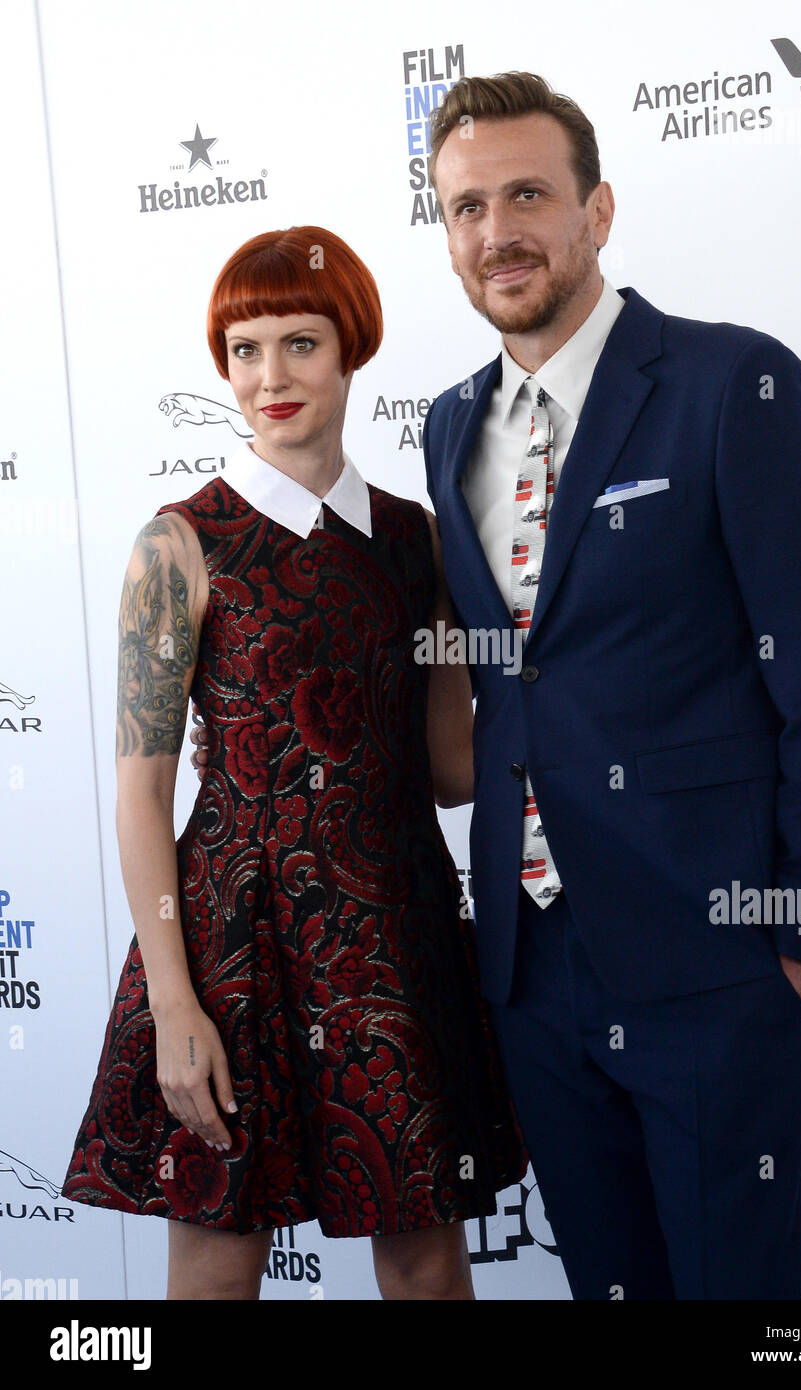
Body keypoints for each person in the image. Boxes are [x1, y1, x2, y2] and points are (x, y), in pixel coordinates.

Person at [419, 72, 801, 1300]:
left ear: (598, 210)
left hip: (715, 958)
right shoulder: (450, 425)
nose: (497, 231)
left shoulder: (734, 386)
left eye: (528, 194)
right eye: (466, 206)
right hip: (532, 963)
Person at [61, 225, 526, 1301]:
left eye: (300, 342)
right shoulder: (181, 545)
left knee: (425, 1264)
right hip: (231, 943)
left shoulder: (418, 543)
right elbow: (140, 794)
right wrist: (174, 1003)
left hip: (393, 933)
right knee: (216, 1266)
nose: (270, 376)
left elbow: (450, 768)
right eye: (244, 348)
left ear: (351, 348)